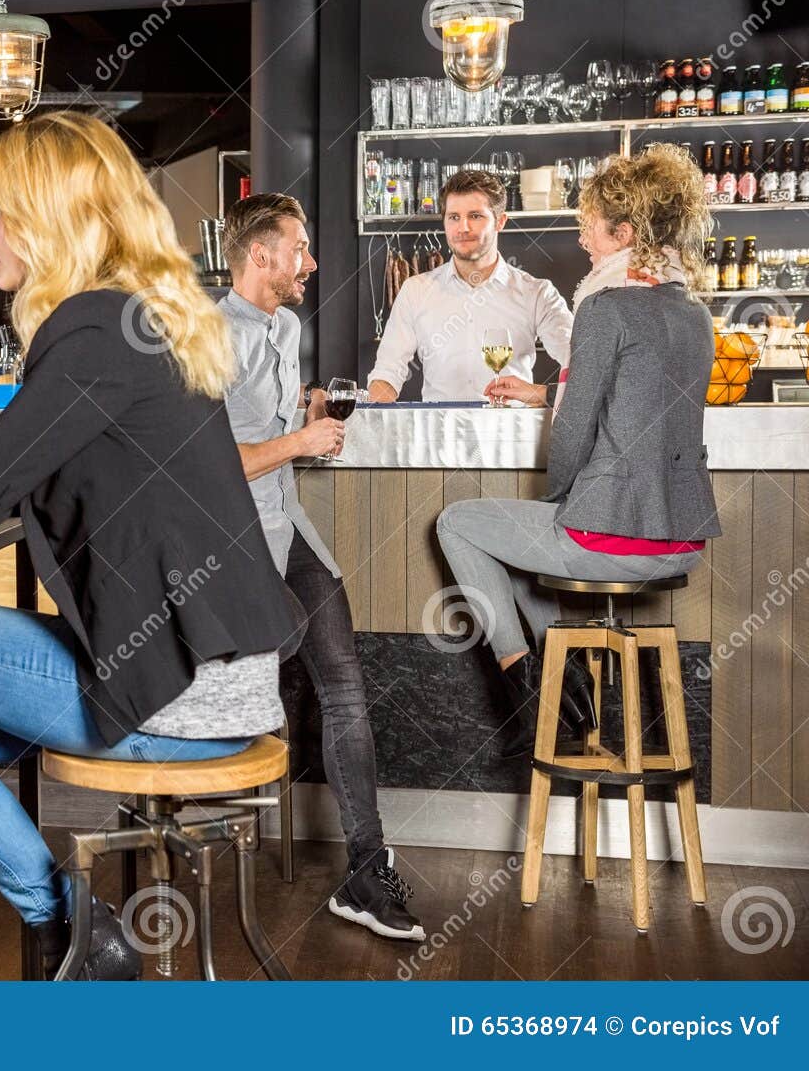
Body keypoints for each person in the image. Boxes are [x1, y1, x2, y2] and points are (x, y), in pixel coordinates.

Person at [0, 112, 304, 978]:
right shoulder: (141, 317)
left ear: (48, 220)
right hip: (222, 678)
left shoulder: (93, 327)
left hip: (176, 698)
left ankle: (26, 905)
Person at [436, 144, 719, 758]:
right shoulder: (694, 312)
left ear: (623, 232)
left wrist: (564, 498)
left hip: (611, 535)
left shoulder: (605, 306)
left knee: (458, 522)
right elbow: (638, 397)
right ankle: (568, 686)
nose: (582, 236)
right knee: (535, 540)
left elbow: (571, 435)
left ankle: (523, 684)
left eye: (590, 223)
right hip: (683, 541)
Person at [219, 193, 423, 941]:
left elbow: (268, 438)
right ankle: (195, 831)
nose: (311, 261)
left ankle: (367, 870)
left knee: (344, 683)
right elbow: (207, 466)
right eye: (300, 248)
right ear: (260, 254)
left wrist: (305, 426)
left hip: (289, 525)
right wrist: (299, 445)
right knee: (245, 686)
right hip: (233, 541)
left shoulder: (287, 323)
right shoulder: (212, 335)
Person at [367, 169, 573, 404]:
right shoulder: (416, 290)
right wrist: (377, 425)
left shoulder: (538, 293)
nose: (463, 227)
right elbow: (387, 371)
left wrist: (542, 393)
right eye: (454, 217)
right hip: (438, 436)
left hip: (512, 436)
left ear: (500, 221)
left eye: (475, 216)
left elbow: (579, 361)